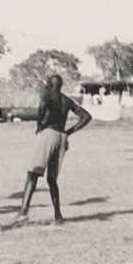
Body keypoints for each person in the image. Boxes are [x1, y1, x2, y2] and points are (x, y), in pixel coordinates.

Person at [14, 75, 92, 223]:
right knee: (51, 178)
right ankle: (58, 215)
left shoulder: (47, 93)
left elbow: (42, 105)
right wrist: (69, 132)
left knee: (33, 173)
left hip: (49, 134)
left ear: (50, 83)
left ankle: (23, 211)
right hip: (62, 137)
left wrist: (39, 124)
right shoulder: (67, 100)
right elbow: (86, 116)